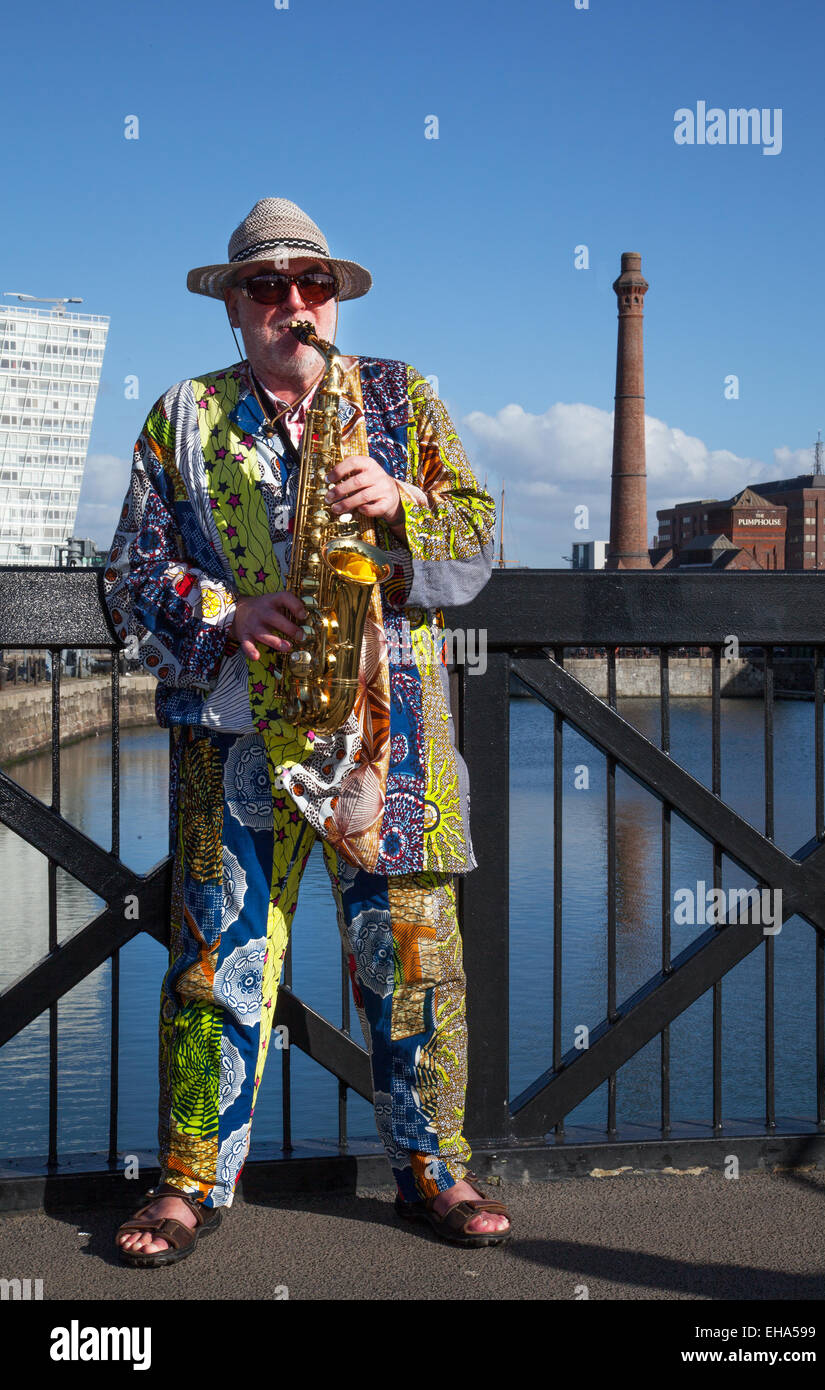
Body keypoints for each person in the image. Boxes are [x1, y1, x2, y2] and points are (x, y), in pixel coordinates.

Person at [104, 198, 511, 1264]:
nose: (292, 302)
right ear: (232, 306)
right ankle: (189, 1183)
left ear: (334, 297)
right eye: (266, 285)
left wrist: (400, 503)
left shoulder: (402, 397)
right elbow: (133, 573)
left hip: (392, 738)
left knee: (417, 959)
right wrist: (225, 616)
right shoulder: (178, 415)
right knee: (212, 963)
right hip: (240, 730)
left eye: (310, 283)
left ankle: (434, 1169)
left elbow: (475, 544)